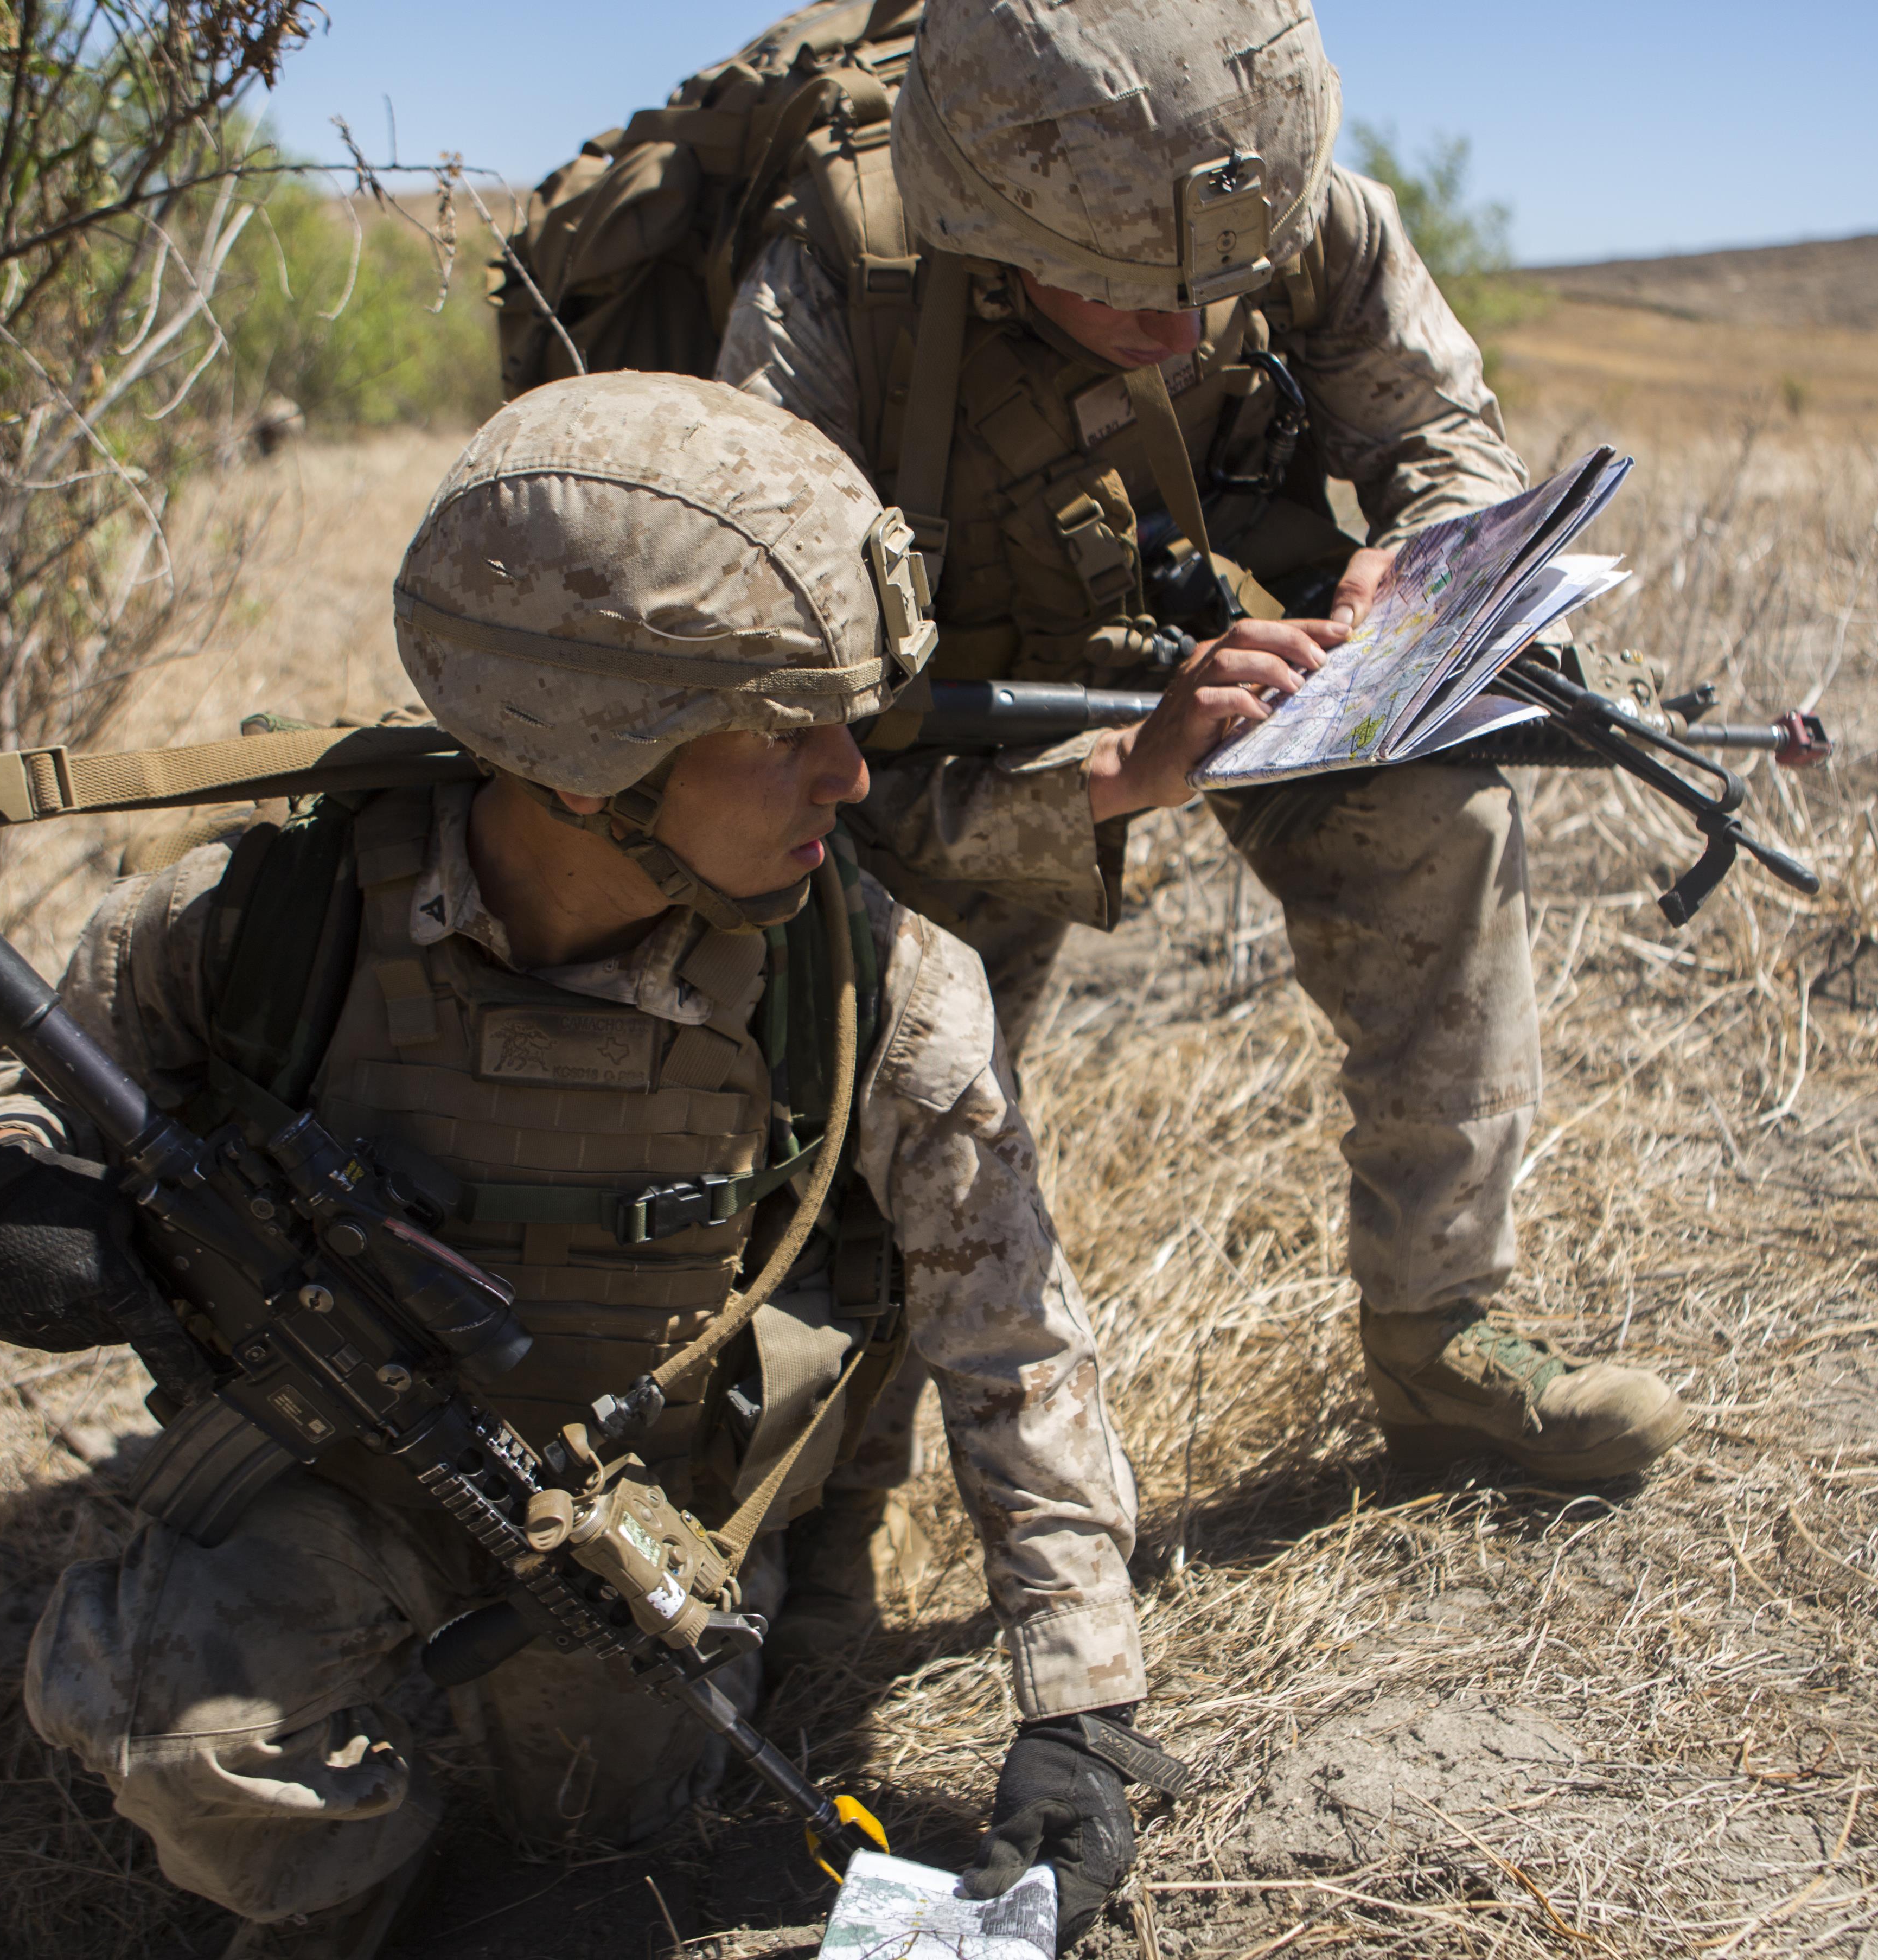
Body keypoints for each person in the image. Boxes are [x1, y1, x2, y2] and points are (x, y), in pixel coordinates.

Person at [0, 373, 1167, 1959]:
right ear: (590, 761)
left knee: (602, 1831)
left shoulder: (869, 987)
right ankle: (356, 1886)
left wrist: (1080, 1701)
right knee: (175, 1732)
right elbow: (36, 1072)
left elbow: (1015, 1342)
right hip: (325, 1470)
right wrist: (8, 1183)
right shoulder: (263, 923)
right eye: (787, 734)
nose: (852, 777)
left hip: (633, 1522)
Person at [709, 0, 1692, 1623]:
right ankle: (825, 1523)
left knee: (1442, 815)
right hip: (946, 748)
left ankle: (1443, 1337)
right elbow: (788, 756)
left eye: (1211, 292)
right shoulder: (829, 303)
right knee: (878, 1075)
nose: (1185, 333)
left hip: (1265, 654)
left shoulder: (1279, 208)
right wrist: (1113, 781)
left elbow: (1446, 434)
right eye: (1126, 297)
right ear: (988, 225)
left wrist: (1415, 569)